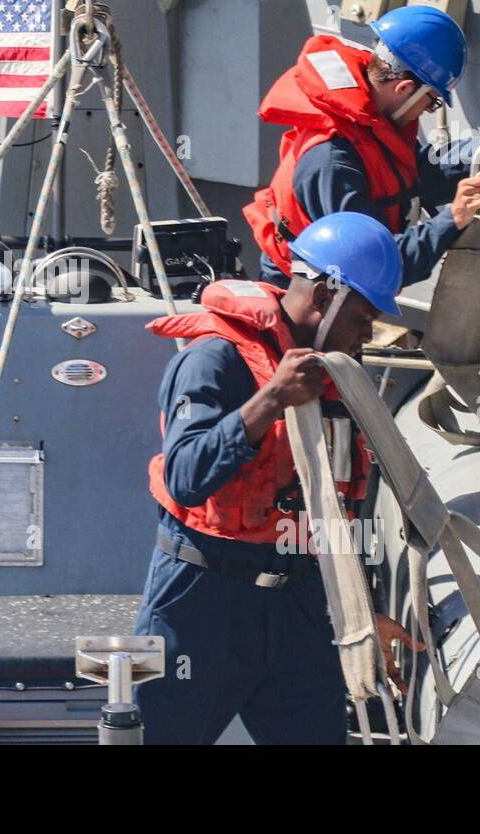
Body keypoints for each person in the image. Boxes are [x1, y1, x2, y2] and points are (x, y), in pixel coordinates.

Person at [133, 212, 420, 745]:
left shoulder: (335, 379)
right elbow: (185, 477)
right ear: (323, 296)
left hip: (298, 604)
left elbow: (337, 509)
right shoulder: (214, 360)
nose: (367, 335)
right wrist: (270, 400)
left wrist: (363, 612)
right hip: (199, 604)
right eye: (362, 318)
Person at [244, 5, 480, 289]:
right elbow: (374, 265)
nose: (428, 112)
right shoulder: (333, 163)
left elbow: (420, 172)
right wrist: (451, 219)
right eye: (432, 102)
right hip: (307, 296)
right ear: (404, 89)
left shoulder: (373, 122)